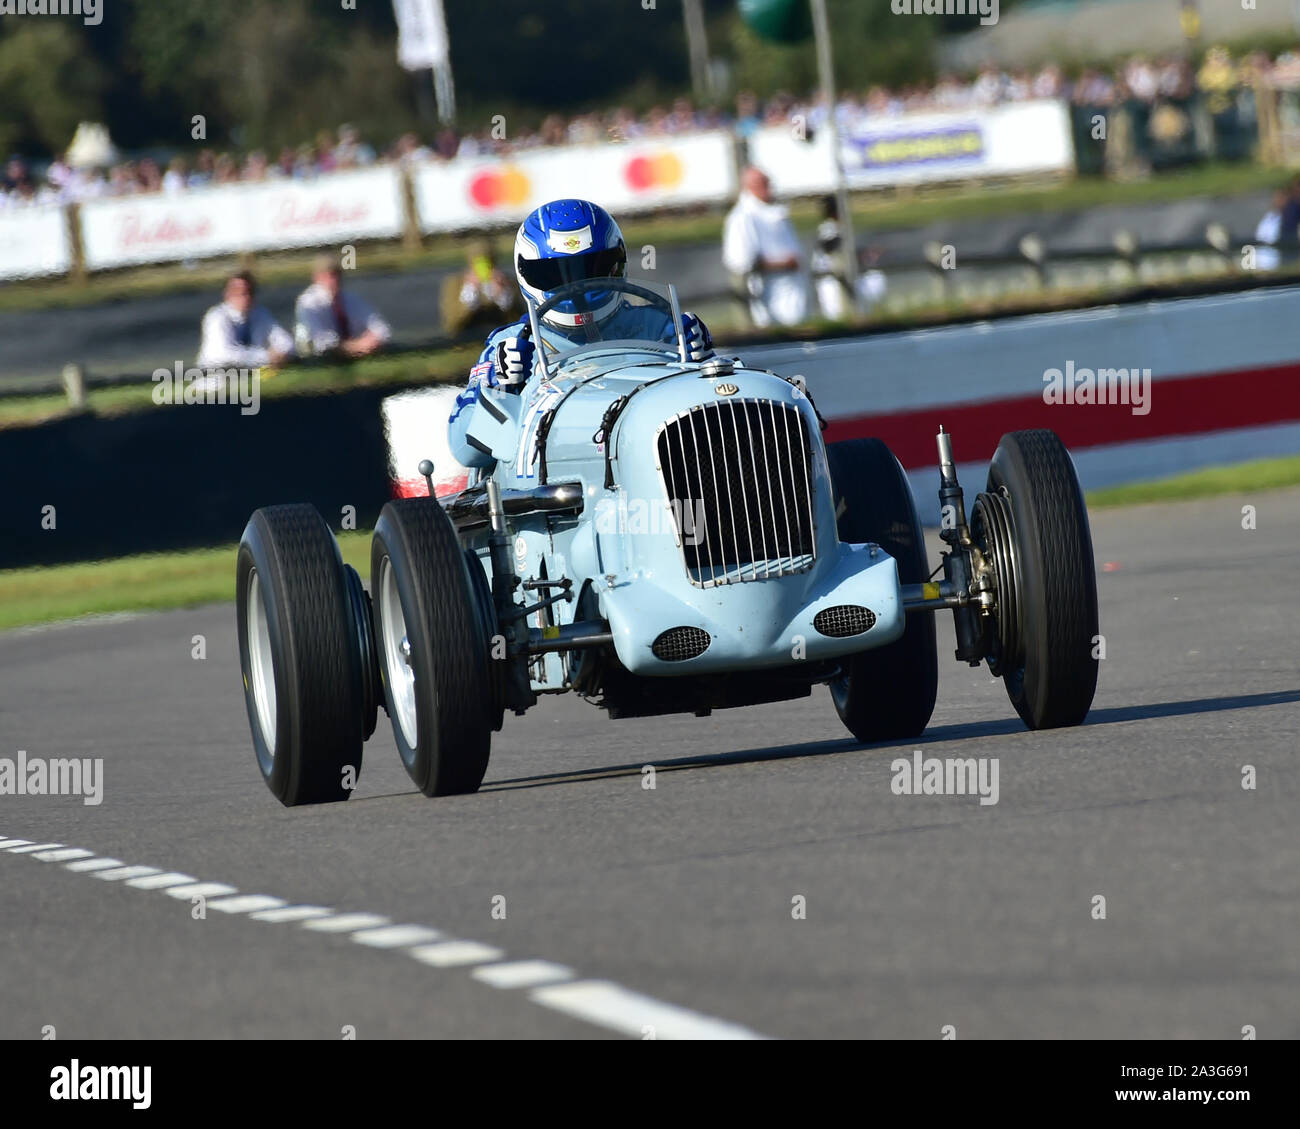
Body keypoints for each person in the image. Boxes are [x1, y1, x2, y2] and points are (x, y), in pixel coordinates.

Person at [448, 198, 713, 469]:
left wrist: (700, 362)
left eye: (590, 269)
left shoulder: (658, 326)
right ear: (527, 272)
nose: (575, 287)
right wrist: (499, 391)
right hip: (558, 494)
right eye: (555, 274)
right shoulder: (512, 345)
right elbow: (465, 452)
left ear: (616, 263)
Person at [722, 166, 809, 328]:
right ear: (751, 186)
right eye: (764, 184)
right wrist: (784, 264)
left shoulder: (776, 213)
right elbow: (740, 262)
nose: (769, 188)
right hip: (769, 298)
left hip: (791, 293)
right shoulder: (742, 218)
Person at [293, 253, 391, 358]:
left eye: (337, 275)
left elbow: (381, 328)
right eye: (329, 276)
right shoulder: (308, 303)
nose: (334, 280)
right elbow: (321, 342)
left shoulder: (350, 299)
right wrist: (357, 347)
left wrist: (372, 340)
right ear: (317, 278)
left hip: (355, 348)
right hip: (316, 358)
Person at [197, 271, 294, 370]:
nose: (246, 297)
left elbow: (286, 341)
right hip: (214, 375)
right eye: (240, 293)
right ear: (227, 295)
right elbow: (224, 354)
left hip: (251, 373)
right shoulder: (216, 317)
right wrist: (266, 356)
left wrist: (282, 353)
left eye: (250, 292)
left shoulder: (260, 313)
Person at [441, 239, 522, 336]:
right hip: (467, 341)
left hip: (502, 339)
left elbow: (519, 321)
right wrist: (470, 291)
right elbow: (452, 325)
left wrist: (503, 295)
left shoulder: (508, 282)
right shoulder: (455, 284)